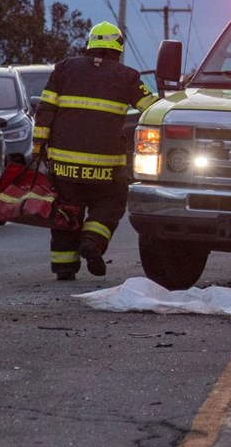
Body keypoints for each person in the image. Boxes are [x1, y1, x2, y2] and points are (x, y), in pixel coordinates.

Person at [32, 22, 158, 281]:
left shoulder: (63, 69)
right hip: (106, 168)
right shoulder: (128, 76)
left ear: (89, 46)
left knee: (67, 211)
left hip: (64, 166)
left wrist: (37, 148)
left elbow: (44, 112)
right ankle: (92, 240)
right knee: (110, 204)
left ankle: (64, 267)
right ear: (118, 48)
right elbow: (152, 109)